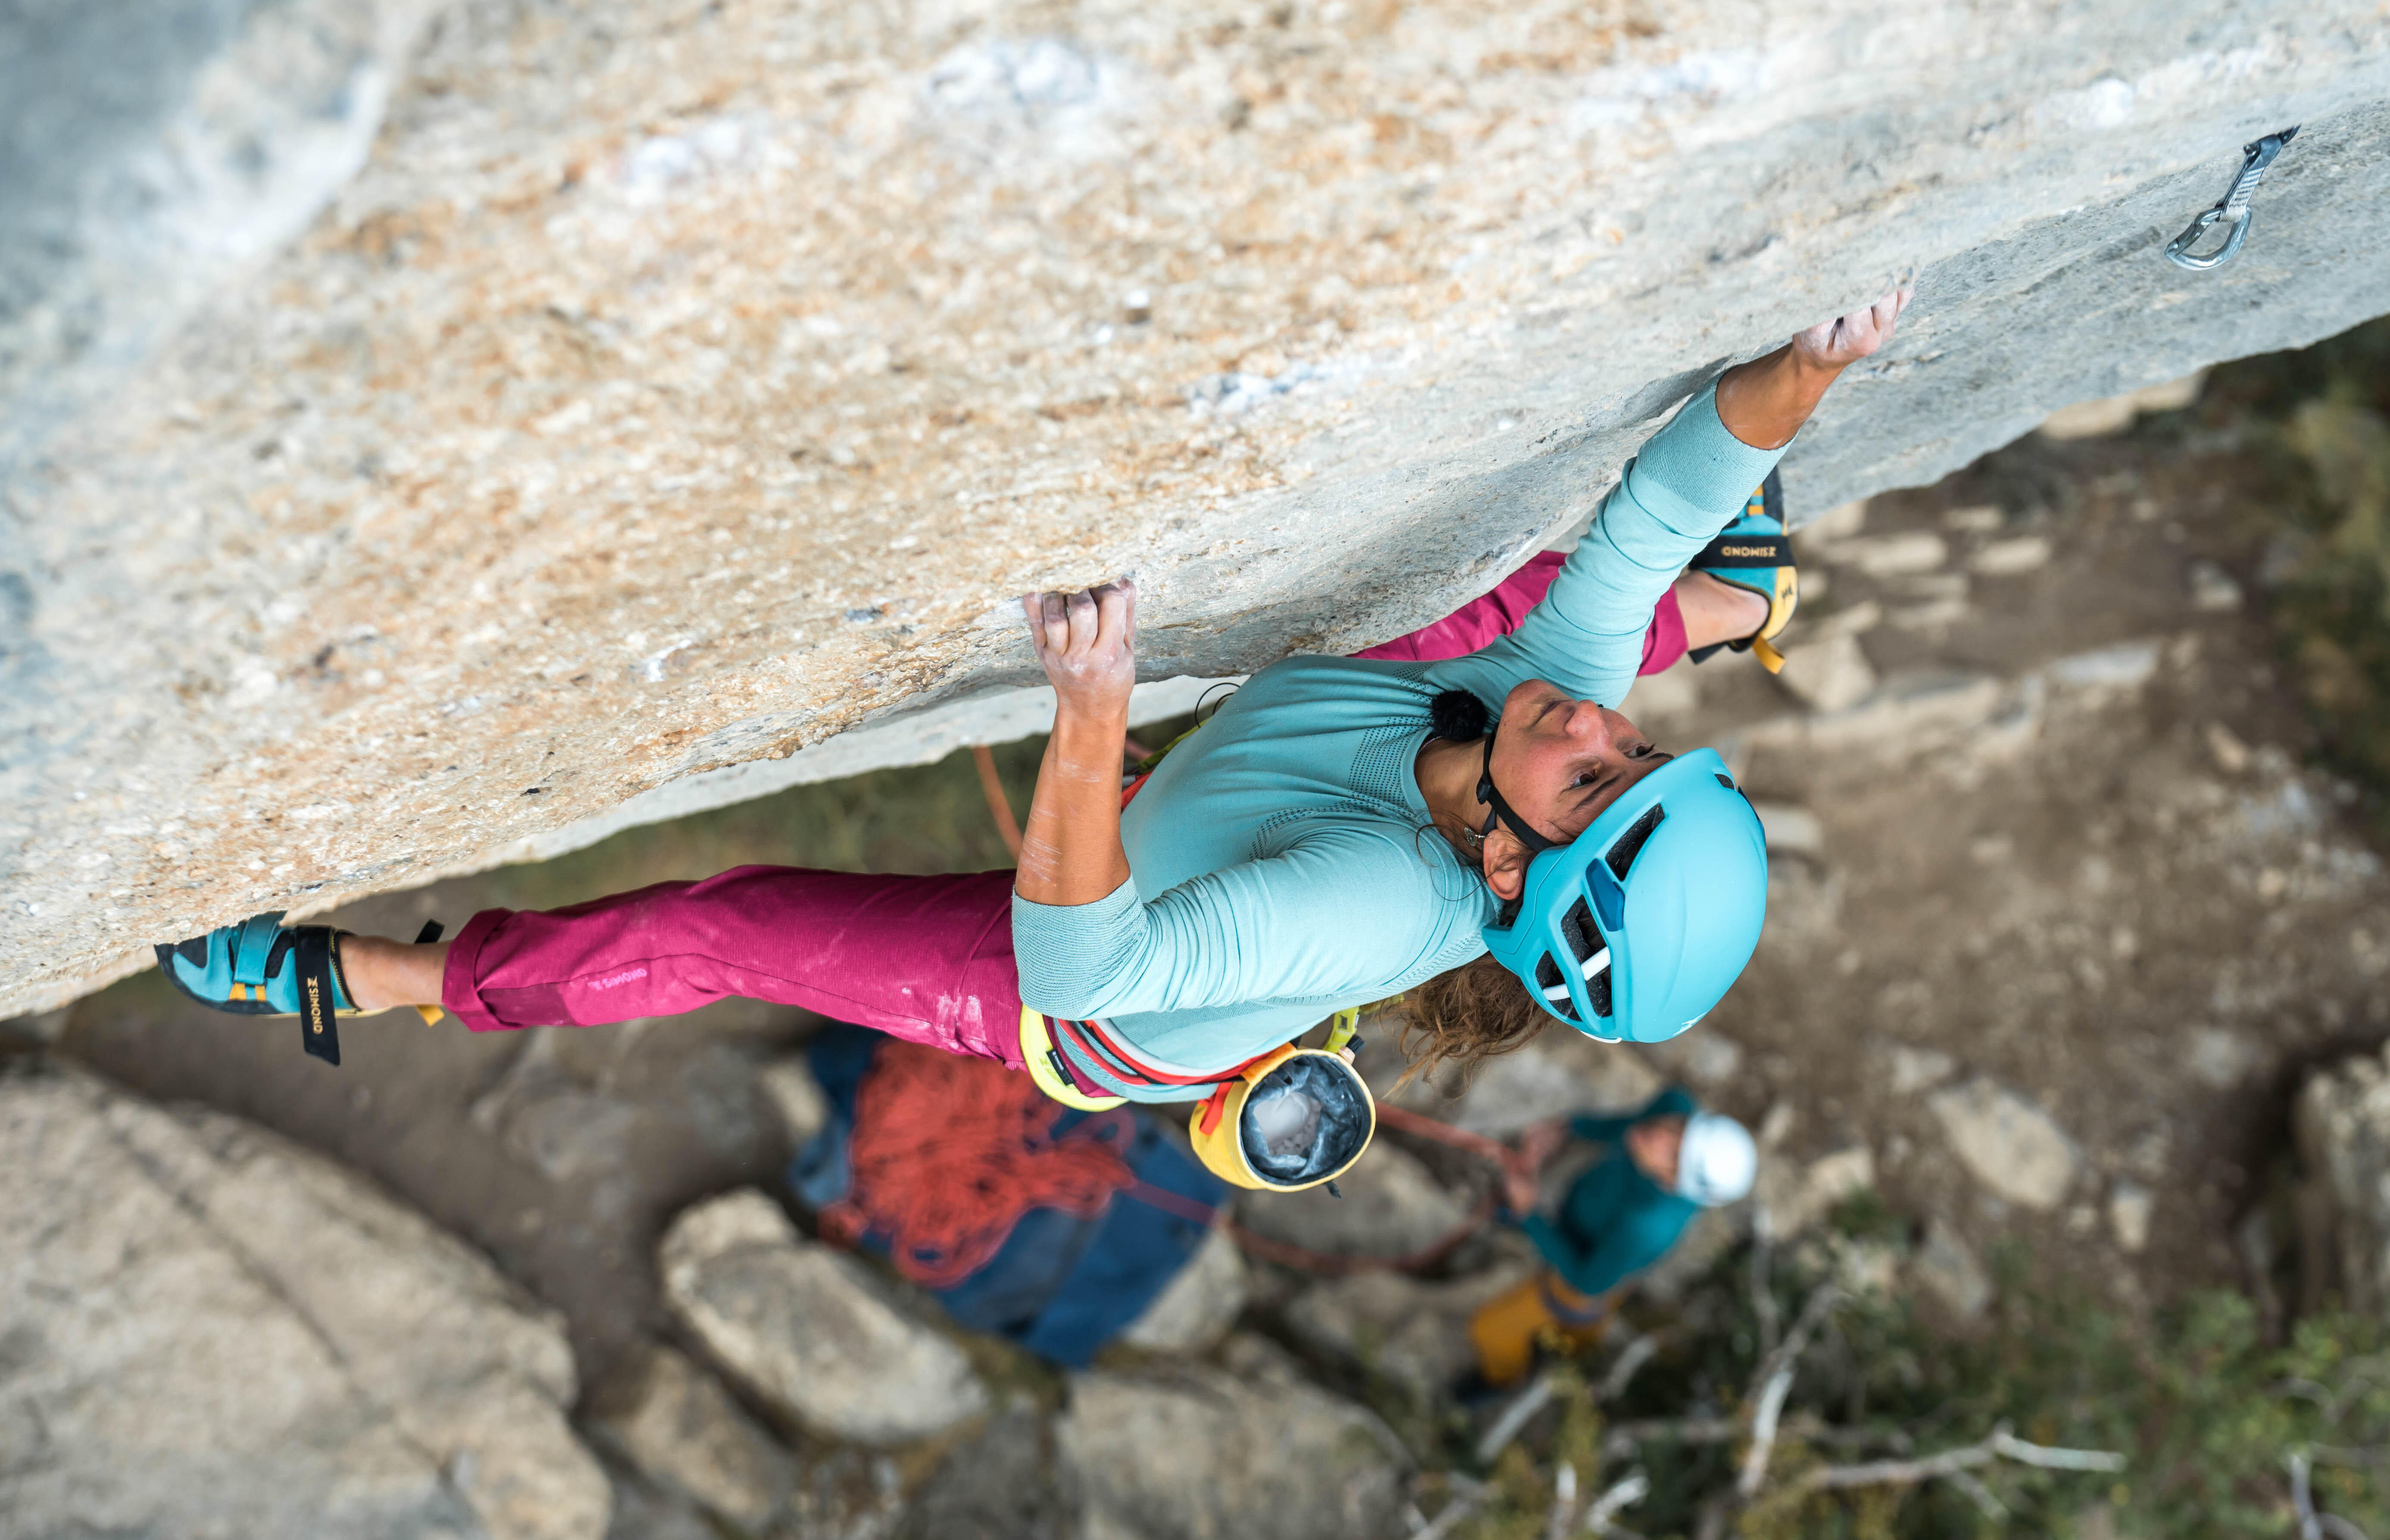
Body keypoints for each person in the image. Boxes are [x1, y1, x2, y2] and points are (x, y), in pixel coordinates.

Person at [155, 289, 1909, 1091]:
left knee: (727, 924)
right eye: (1635, 743)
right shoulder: (1543, 746)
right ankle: (1727, 617)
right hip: (1263, 828)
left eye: (1600, 777)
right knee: (1545, 604)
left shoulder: (1383, 900)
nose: (1597, 731)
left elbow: (1086, 955)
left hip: (1094, 995)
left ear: (1510, 878)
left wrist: (1088, 722)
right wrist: (1815, 363)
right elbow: (1654, 510)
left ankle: (376, 977)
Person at [1468, 1090, 1758, 1387]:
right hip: (1584, 1222)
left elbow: (1587, 1282)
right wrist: (1569, 1128)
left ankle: (1498, 1378)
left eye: (1673, 1154)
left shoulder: (1647, 1226)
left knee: (1490, 1331)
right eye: (1681, 1126)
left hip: (1588, 1272)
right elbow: (1628, 1124)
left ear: (1672, 1183)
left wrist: (1529, 1214)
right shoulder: (1672, 1107)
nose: (1660, 1134)